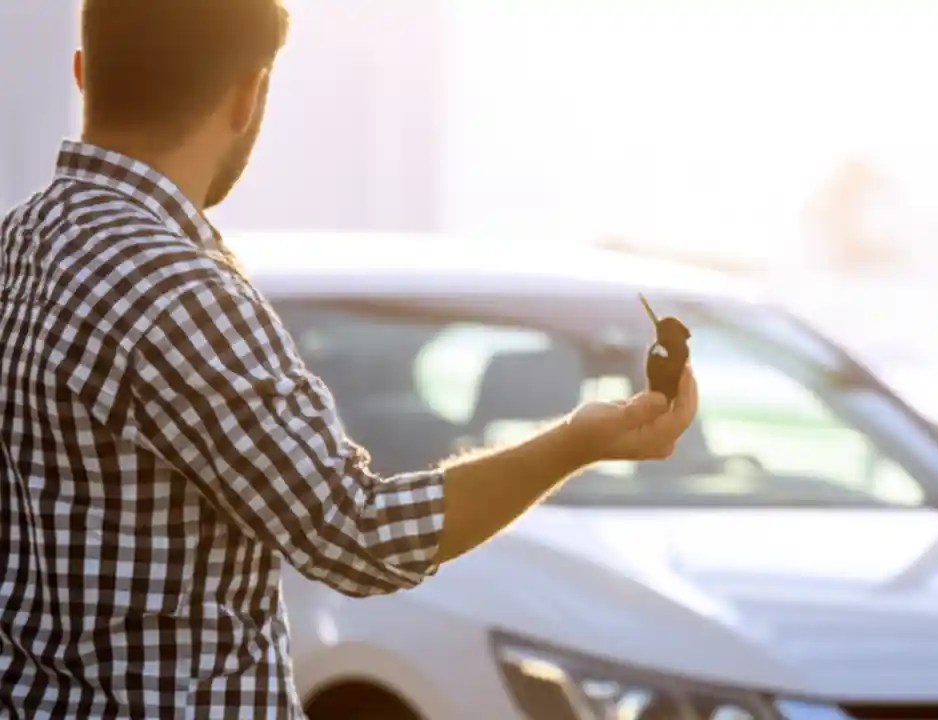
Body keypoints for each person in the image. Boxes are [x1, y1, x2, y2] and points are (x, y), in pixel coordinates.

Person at [0, 1, 698, 717]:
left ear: (82, 74)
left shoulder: (19, 242)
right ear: (248, 95)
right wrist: (579, 442)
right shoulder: (177, 290)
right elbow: (359, 535)